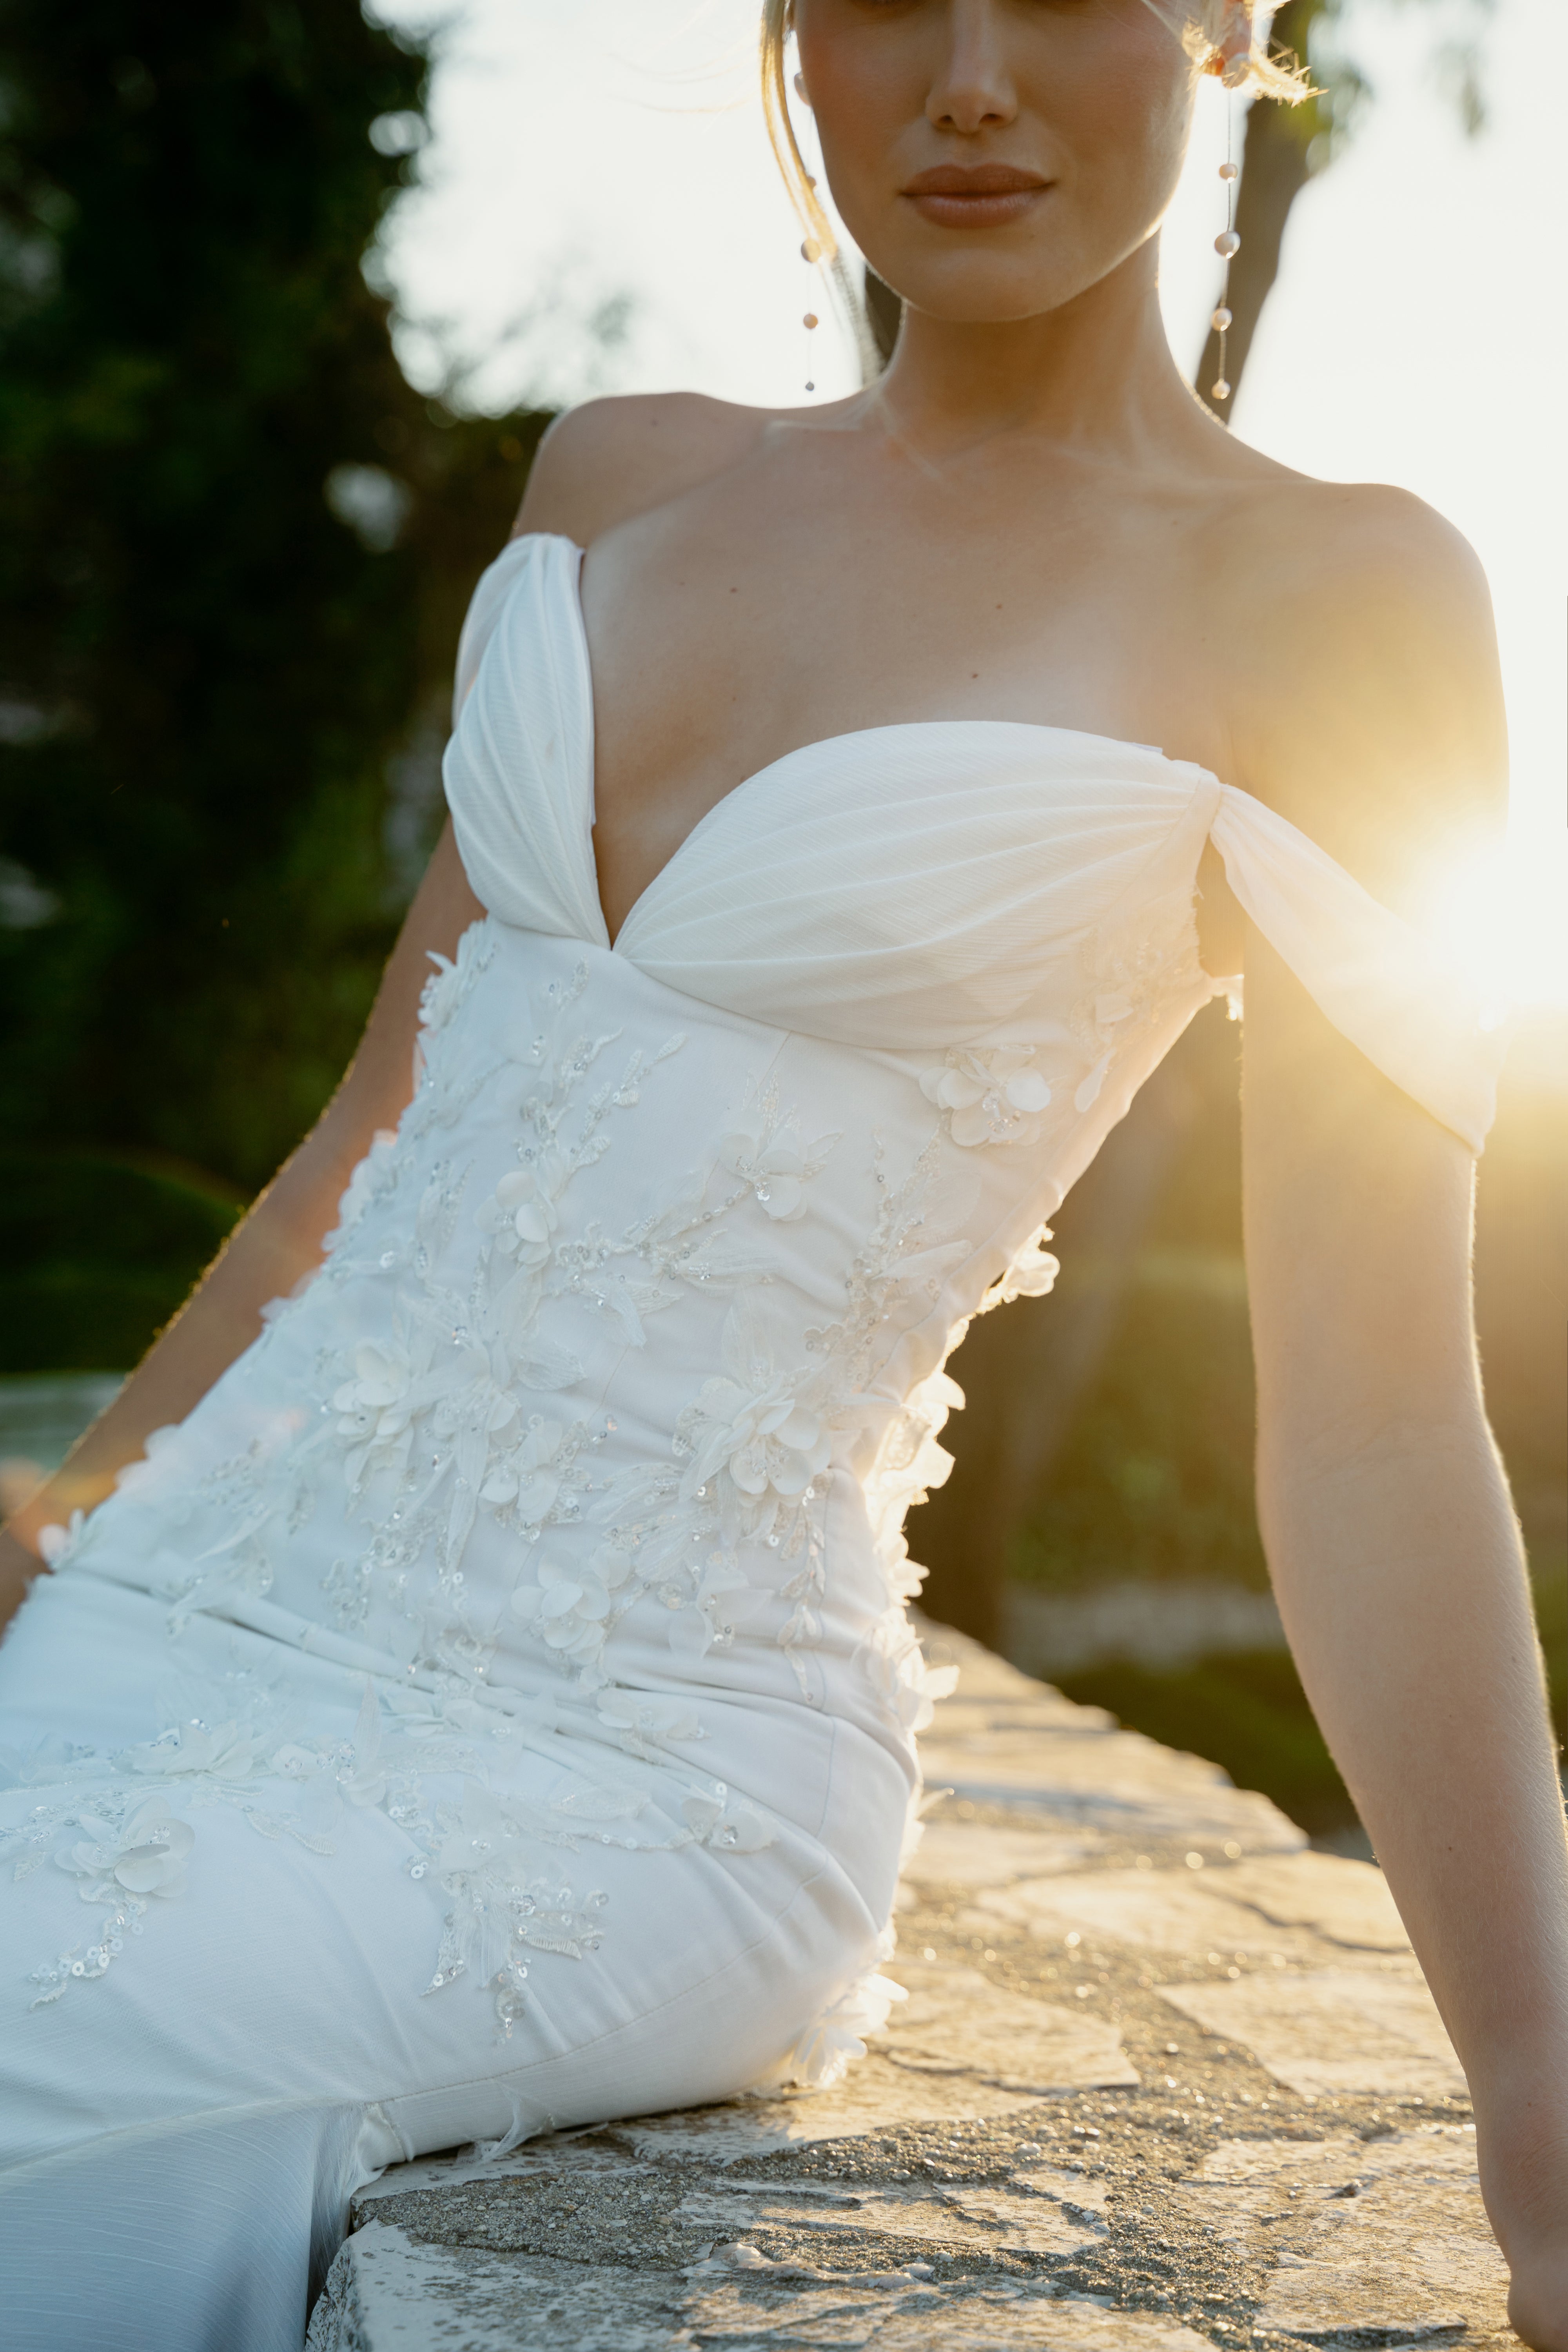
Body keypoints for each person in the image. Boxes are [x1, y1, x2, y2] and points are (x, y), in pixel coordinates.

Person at [2, 2, 1564, 2344]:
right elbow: (380, 1125)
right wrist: (67, 1534)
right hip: (190, 1618)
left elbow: (1366, 1420)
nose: (963, 78)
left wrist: (1539, 2104)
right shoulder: (615, 477)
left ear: (1236, 21)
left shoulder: (1332, 600)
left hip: (636, 1764)